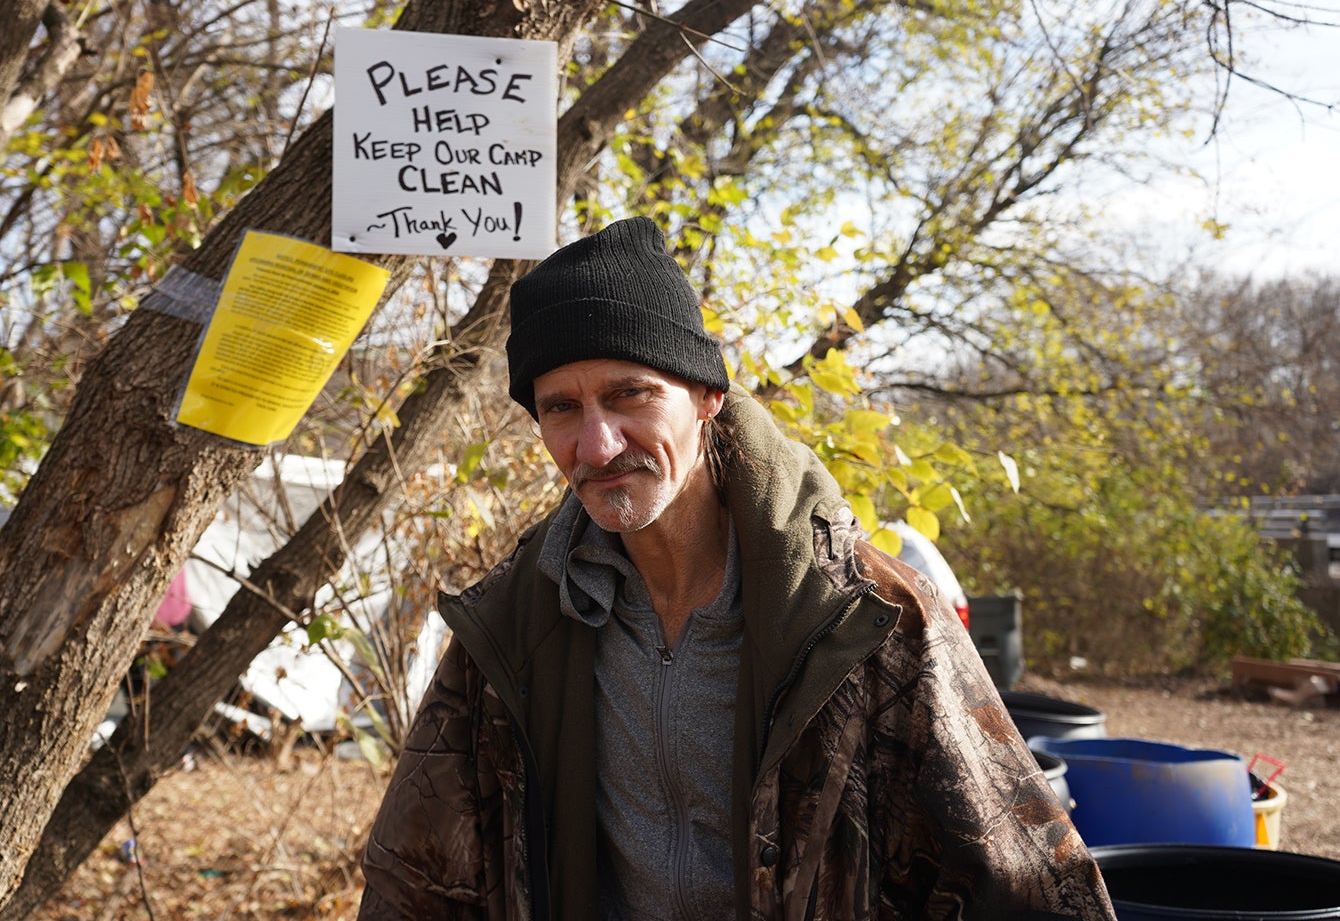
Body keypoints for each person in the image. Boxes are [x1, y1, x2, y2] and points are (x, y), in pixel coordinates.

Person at [358, 217, 1115, 920]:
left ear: (708, 396)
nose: (595, 446)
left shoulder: (861, 618)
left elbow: (1026, 884)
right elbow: (411, 877)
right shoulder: (516, 624)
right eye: (561, 408)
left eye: (630, 395)